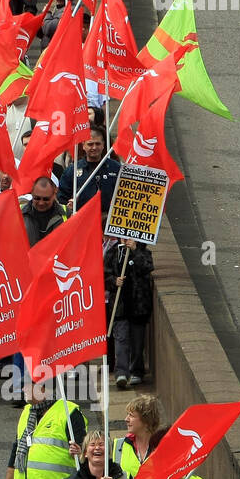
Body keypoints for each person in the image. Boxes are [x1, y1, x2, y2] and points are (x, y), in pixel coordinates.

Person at [104, 238, 153, 389]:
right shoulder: (113, 253)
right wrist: (114, 281)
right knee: (121, 340)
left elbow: (146, 267)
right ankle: (121, 372)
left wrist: (135, 251)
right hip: (119, 306)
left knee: (137, 342)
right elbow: (103, 275)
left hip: (138, 306)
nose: (126, 240)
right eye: (124, 237)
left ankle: (136, 371)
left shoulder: (143, 252)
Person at [57, 125, 120, 213]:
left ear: (103, 145)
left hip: (108, 218)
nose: (94, 147)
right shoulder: (72, 170)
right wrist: (68, 208)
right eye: (90, 144)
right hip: (81, 218)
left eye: (98, 144)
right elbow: (61, 199)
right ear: (83, 145)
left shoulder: (116, 168)